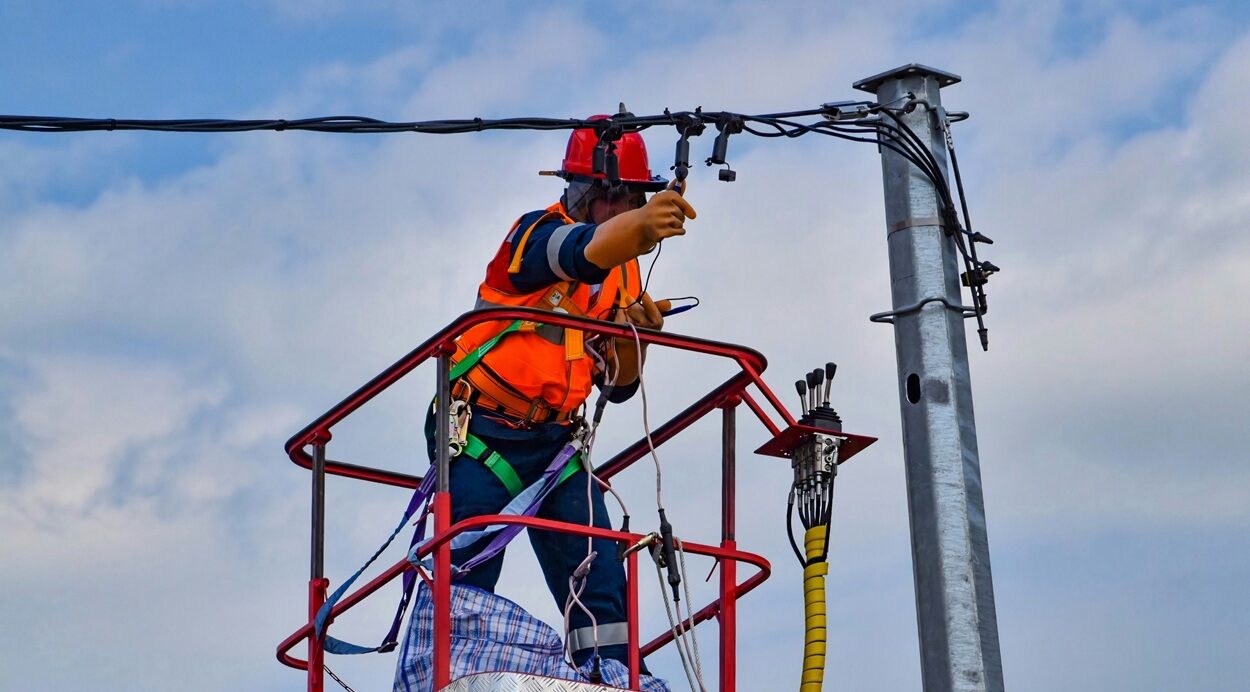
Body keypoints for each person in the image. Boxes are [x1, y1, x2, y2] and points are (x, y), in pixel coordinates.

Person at [429, 115, 696, 673]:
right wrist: (642, 229)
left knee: (598, 576)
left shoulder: (622, 276)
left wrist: (635, 340)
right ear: (595, 193)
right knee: (465, 576)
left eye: (638, 201)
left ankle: (613, 678)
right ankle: (448, 676)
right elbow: (576, 252)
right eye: (625, 199)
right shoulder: (530, 237)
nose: (631, 210)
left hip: (556, 446)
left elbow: (619, 389)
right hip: (483, 434)